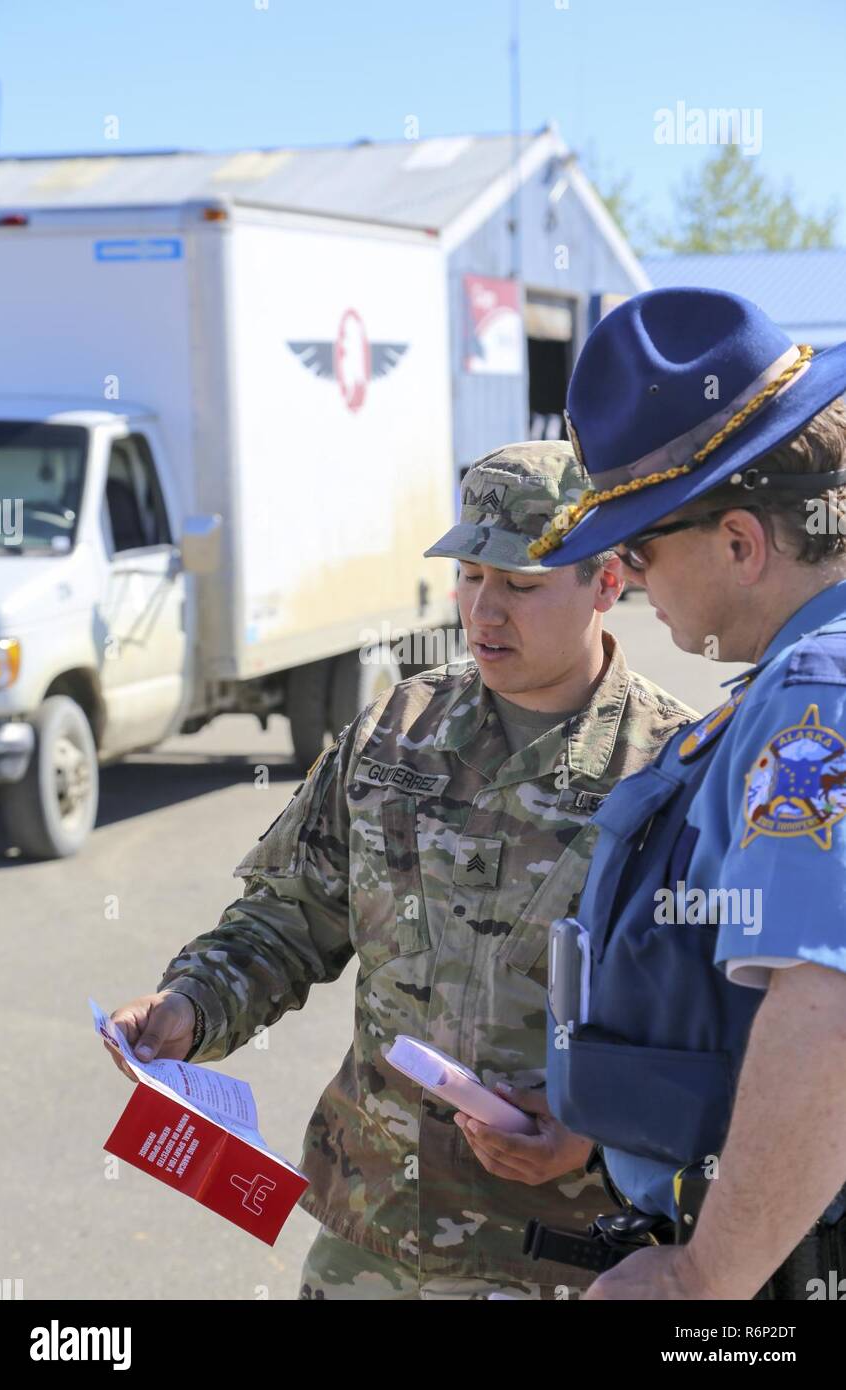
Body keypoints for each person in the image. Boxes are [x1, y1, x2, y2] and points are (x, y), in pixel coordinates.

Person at [105, 442, 695, 1301]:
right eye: (469, 578)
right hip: (371, 1238)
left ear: (607, 583)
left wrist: (594, 1127)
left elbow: (717, 1031)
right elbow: (288, 917)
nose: (484, 612)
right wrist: (191, 1006)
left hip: (558, 1259)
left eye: (521, 585)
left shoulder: (673, 774)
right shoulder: (394, 731)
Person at [515, 286, 846, 1301]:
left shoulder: (814, 698)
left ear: (741, 544)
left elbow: (826, 1004)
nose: (634, 587)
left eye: (639, 550)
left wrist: (703, 1278)